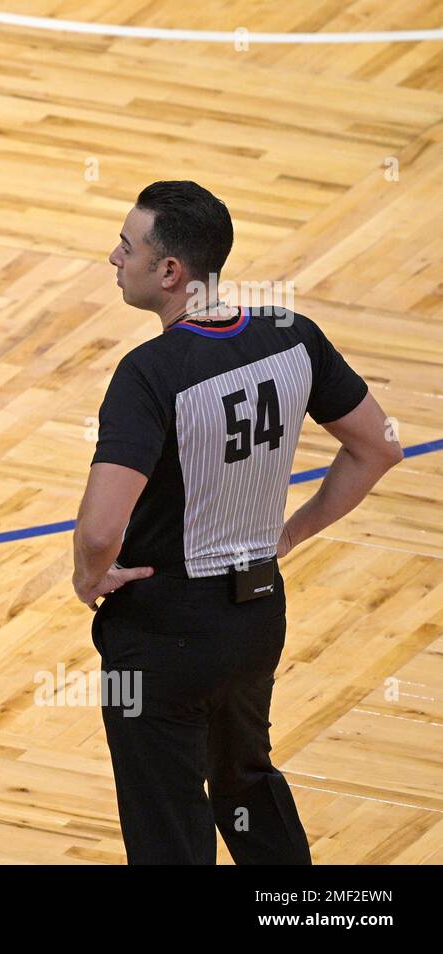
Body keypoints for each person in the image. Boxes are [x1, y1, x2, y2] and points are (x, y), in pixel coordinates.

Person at [72, 180, 402, 864]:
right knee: (245, 785)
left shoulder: (149, 373)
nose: (113, 257)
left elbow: (102, 528)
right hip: (256, 614)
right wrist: (291, 533)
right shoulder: (292, 335)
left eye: (126, 247)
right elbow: (379, 447)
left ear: (170, 272)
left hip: (164, 633)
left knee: (168, 824)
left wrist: (89, 576)